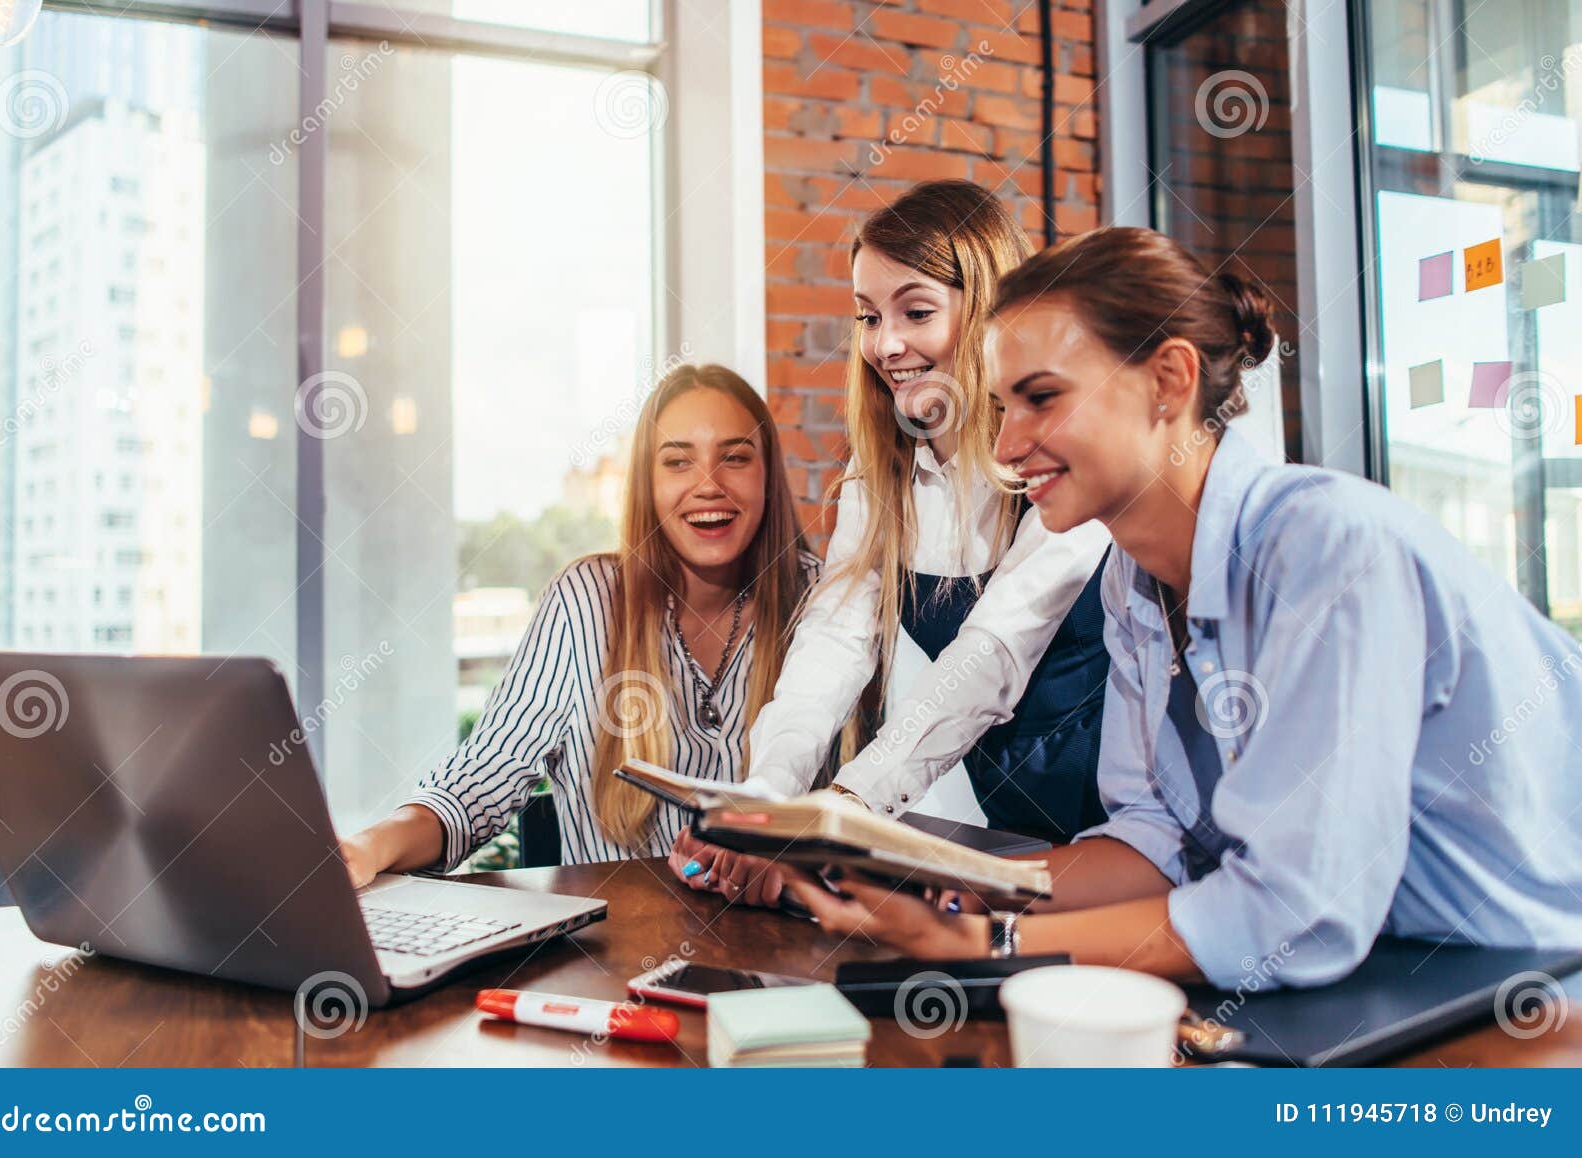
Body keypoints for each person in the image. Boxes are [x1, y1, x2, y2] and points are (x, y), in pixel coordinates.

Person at [785, 226, 1582, 988]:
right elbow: (1154, 840)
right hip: (1386, 975)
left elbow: (1292, 916)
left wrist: (990, 941)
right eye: (1003, 406)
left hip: (1527, 983)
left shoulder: (1329, 546)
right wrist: (946, 887)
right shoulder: (1131, 583)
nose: (1005, 445)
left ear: (1169, 381)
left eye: (1041, 399)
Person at [674, 180, 1110, 907]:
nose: (885, 344)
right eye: (869, 316)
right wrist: (768, 795)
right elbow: (835, 639)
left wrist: (845, 805)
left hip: (1115, 832)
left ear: (988, 310)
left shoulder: (1057, 456)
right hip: (1011, 841)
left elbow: (990, 656)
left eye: (916, 311)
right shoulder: (881, 474)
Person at [339, 364, 818, 880]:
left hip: (789, 952)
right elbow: (479, 781)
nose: (708, 484)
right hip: (618, 955)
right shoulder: (586, 599)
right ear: (647, 484)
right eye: (678, 461)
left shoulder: (822, 602)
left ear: (768, 475)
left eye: (735, 458)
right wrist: (368, 847)